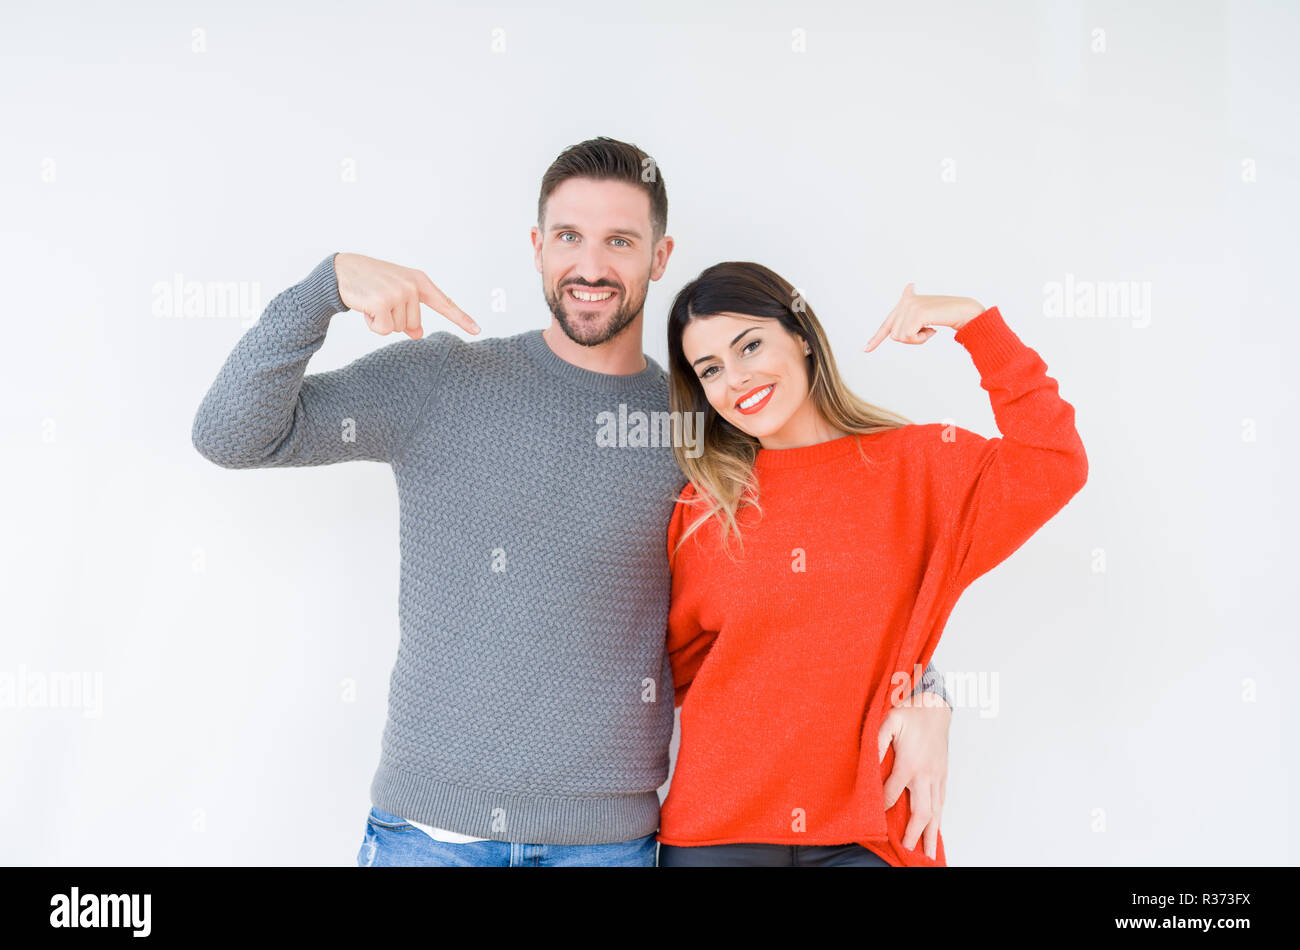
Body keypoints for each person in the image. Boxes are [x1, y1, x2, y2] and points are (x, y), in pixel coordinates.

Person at [191, 137, 954, 867]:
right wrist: (323, 288)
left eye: (620, 241)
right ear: (537, 247)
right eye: (569, 236)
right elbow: (231, 434)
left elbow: (847, 580)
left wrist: (925, 691)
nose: (591, 266)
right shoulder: (440, 381)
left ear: (660, 257)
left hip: (609, 844)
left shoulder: (705, 427)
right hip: (429, 834)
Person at [655, 264, 1088, 866]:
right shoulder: (704, 506)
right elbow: (659, 671)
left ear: (801, 334)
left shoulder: (917, 466)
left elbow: (1052, 463)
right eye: (710, 370)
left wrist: (972, 321)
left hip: (873, 830)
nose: (737, 379)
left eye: (750, 345)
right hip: (717, 832)